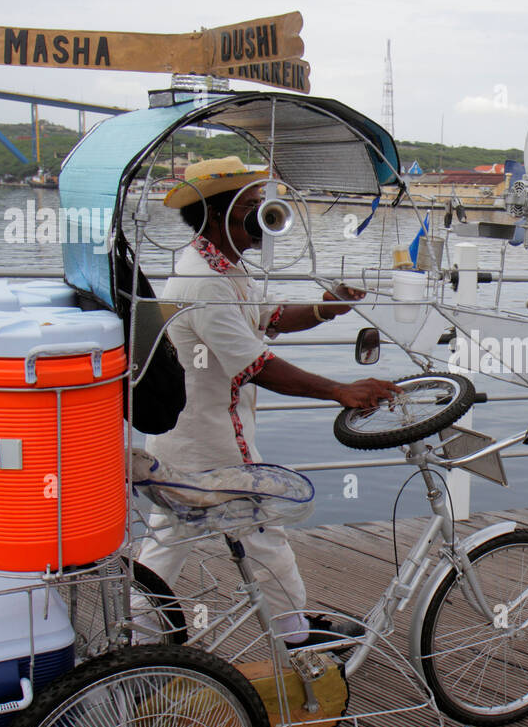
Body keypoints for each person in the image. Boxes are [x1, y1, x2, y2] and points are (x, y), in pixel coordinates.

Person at [137, 156, 400, 646]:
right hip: (212, 443)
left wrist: (327, 306)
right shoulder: (206, 282)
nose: (263, 220)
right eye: (252, 209)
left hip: (183, 439)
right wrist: (341, 390)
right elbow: (257, 366)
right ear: (219, 215)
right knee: (263, 532)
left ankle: (139, 630)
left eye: (263, 208)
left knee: (170, 536)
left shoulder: (218, 266)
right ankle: (294, 637)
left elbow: (269, 316)